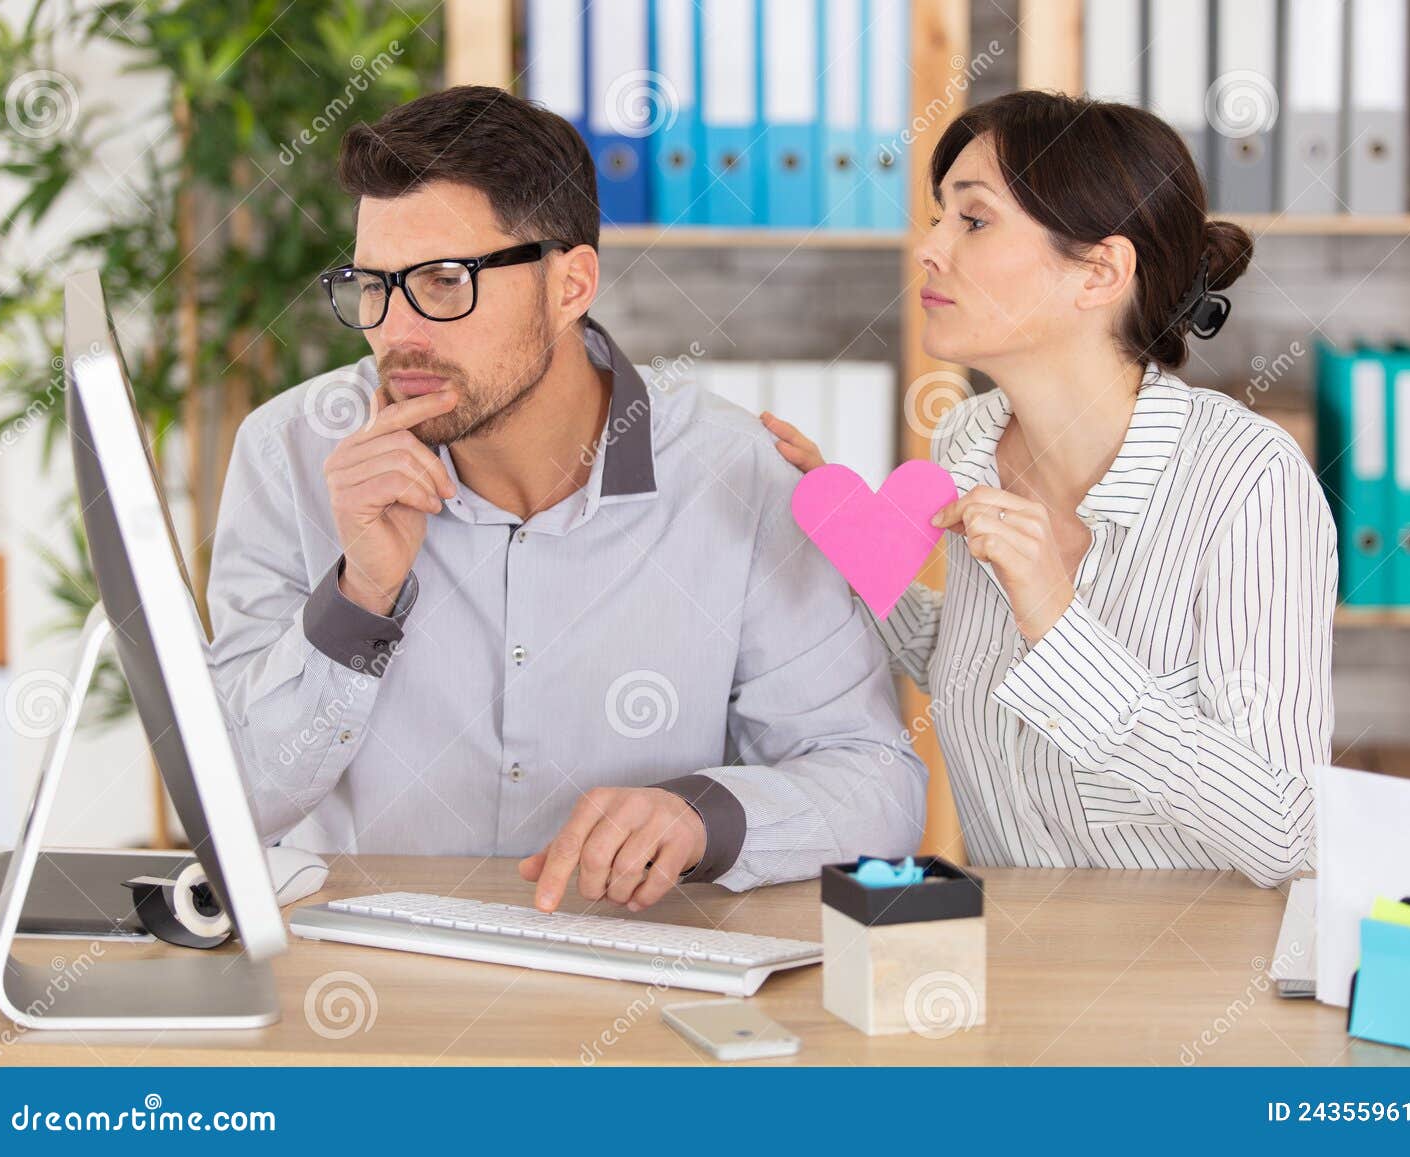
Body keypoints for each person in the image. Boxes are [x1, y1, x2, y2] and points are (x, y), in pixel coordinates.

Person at [205, 86, 925, 912]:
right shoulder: (289, 451)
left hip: (636, 983)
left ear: (570, 282)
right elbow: (235, 801)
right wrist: (358, 596)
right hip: (367, 989)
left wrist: (706, 817)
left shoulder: (738, 475)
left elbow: (878, 786)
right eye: (374, 285)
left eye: (443, 281)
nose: (397, 331)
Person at [765, 91, 1335, 887]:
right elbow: (964, 656)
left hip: (1200, 984)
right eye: (939, 217)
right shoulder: (966, 440)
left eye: (972, 220)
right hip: (1013, 965)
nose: (929, 249)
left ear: (1098, 271)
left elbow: (1289, 830)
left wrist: (1057, 619)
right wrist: (844, 549)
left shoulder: (1246, 480)